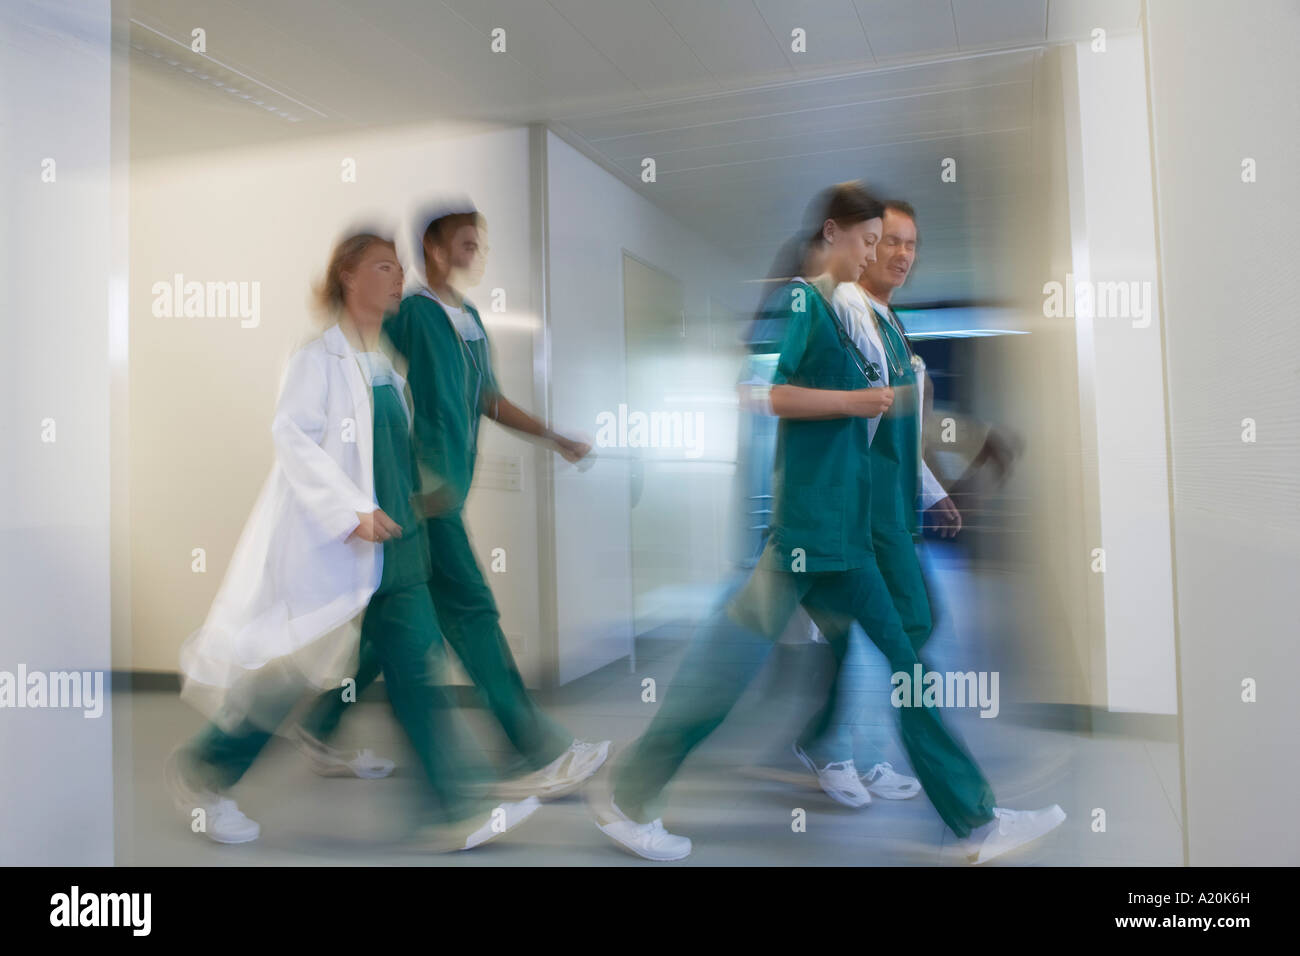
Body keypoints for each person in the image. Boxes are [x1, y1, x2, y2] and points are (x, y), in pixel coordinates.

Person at [589, 183, 1065, 864]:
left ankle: (971, 819)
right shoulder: (816, 303)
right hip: (807, 539)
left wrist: (925, 487)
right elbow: (770, 394)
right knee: (726, 673)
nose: (887, 253)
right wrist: (859, 400)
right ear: (838, 238)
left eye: (897, 243)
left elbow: (878, 439)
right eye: (875, 240)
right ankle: (632, 792)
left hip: (846, 538)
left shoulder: (864, 323)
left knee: (903, 664)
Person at [169, 231, 539, 851]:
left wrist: (422, 498)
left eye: (398, 269)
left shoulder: (384, 368)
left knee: (417, 670)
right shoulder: (318, 359)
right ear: (348, 276)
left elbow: (388, 456)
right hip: (336, 546)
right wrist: (351, 511)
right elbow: (293, 439)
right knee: (284, 675)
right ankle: (204, 771)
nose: (399, 279)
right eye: (383, 267)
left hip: (398, 553)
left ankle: (456, 807)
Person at [297, 203, 610, 799]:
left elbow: (486, 398)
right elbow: (361, 359)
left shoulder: (468, 319)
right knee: (472, 615)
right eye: (467, 243)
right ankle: (534, 750)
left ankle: (317, 722)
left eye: (480, 244)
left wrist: (553, 435)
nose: (477, 253)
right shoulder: (412, 312)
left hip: (445, 498)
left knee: (393, 629)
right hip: (419, 500)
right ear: (435, 251)